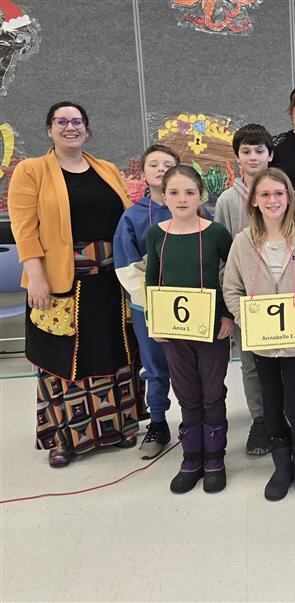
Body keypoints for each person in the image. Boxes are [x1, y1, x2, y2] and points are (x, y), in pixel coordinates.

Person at [9, 101, 147, 468]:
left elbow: (126, 221)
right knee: (65, 358)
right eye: (61, 121)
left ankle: (116, 428)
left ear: (87, 128)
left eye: (77, 121)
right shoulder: (31, 170)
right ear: (50, 129)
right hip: (61, 284)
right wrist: (35, 276)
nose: (70, 127)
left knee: (116, 354)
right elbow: (24, 228)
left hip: (109, 283)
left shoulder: (106, 169)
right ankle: (65, 439)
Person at [223, 167, 295, 501]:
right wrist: (247, 320)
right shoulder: (242, 242)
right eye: (264, 194)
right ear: (253, 200)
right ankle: (281, 466)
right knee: (271, 402)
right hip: (260, 341)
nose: (272, 200)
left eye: (279, 193)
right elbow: (232, 289)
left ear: (290, 197)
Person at [145, 165, 234, 494]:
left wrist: (227, 316)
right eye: (174, 192)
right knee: (186, 395)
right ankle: (191, 456)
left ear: (201, 195)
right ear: (163, 195)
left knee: (212, 394)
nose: (182, 199)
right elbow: (152, 279)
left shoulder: (215, 233)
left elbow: (233, 275)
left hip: (211, 330)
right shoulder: (157, 234)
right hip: (174, 331)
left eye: (189, 192)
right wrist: (155, 320)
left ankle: (215, 457)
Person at [215, 123, 295, 456]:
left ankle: (289, 418)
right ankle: (261, 421)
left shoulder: (286, 195)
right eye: (246, 151)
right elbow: (222, 257)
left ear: (271, 154)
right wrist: (232, 305)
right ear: (237, 157)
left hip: (287, 303)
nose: (253, 157)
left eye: (259, 150)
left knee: (288, 364)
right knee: (251, 365)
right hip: (249, 305)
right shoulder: (226, 201)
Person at [113, 143, 180, 459]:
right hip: (148, 307)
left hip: (192, 304)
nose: (161, 168)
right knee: (155, 366)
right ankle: (157, 423)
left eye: (169, 163)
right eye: (155, 164)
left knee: (198, 365)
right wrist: (153, 300)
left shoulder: (192, 210)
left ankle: (202, 421)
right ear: (144, 171)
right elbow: (126, 266)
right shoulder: (132, 217)